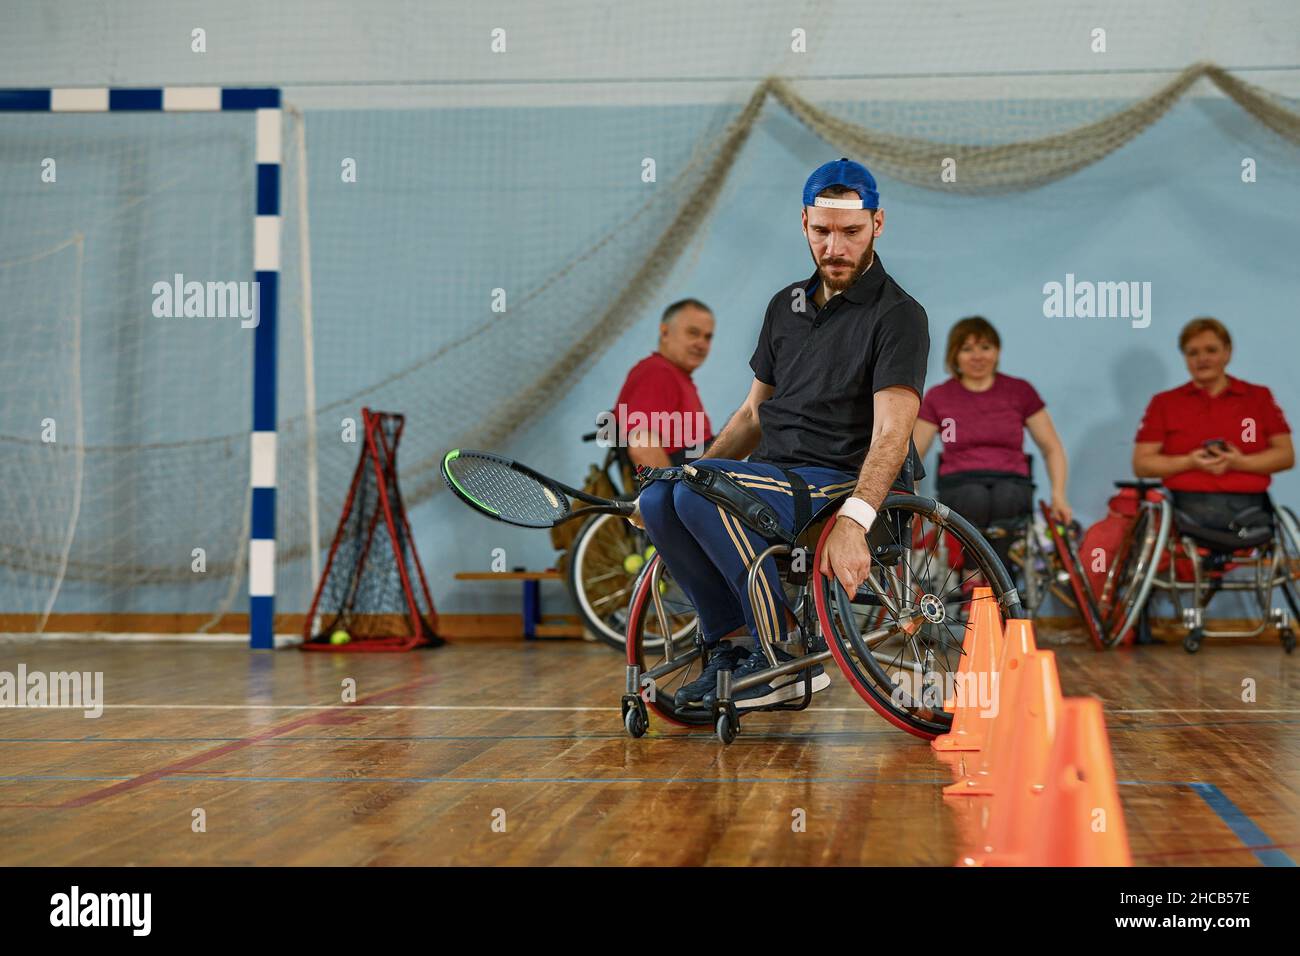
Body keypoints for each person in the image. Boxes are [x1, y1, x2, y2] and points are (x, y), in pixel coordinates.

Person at [630, 158, 929, 710]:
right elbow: (749, 417)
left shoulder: (899, 316)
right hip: (776, 473)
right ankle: (730, 644)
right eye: (822, 231)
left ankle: (780, 657)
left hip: (838, 480)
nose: (834, 248)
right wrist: (687, 472)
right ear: (804, 224)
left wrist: (856, 521)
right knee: (659, 497)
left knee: (699, 492)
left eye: (851, 232)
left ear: (877, 224)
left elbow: (892, 432)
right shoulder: (785, 305)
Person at [913, 316, 1071, 571]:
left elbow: (1051, 447)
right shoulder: (939, 397)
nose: (978, 356)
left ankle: (1001, 583)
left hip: (1012, 482)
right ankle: (975, 578)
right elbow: (914, 454)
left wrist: (1059, 496)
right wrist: (913, 496)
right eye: (967, 349)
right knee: (974, 497)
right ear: (955, 355)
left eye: (985, 347)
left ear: (997, 352)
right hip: (960, 483)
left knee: (1005, 498)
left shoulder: (1020, 391)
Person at [1132, 316, 1293, 531]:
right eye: (1193, 353)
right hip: (1184, 508)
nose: (1202, 359)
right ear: (1185, 358)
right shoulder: (1164, 403)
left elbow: (1285, 456)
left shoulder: (1258, 397)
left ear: (1227, 352)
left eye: (1211, 350)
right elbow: (1142, 465)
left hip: (1248, 508)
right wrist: (1190, 462)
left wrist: (1239, 462)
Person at [612, 299, 715, 469]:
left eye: (707, 337)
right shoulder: (657, 373)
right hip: (688, 489)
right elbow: (642, 447)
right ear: (665, 332)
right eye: (693, 333)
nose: (701, 344)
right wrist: (673, 494)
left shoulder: (673, 374)